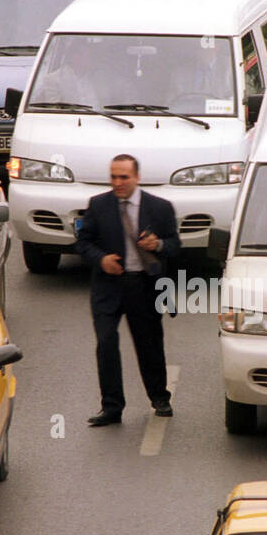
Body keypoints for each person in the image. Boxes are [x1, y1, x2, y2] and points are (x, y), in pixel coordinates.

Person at [76, 154, 180, 426]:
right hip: (108, 287)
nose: (118, 183)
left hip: (143, 286)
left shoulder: (160, 208)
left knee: (149, 345)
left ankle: (159, 397)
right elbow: (83, 242)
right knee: (106, 343)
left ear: (137, 177)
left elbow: (174, 245)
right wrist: (101, 259)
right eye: (113, 177)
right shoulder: (98, 205)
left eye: (124, 177)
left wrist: (157, 245)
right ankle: (111, 407)